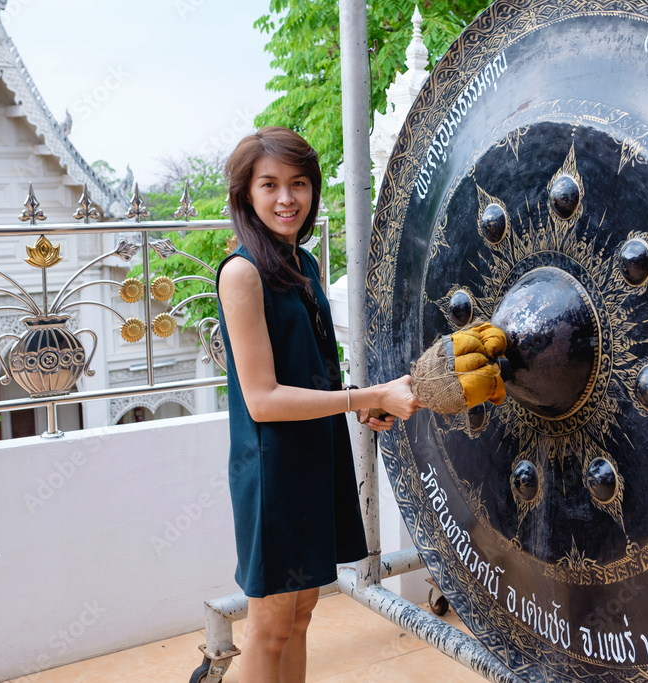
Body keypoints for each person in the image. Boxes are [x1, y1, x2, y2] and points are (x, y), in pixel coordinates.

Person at [215, 126, 420, 683]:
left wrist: (357, 406)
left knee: (302, 616)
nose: (287, 198)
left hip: (314, 457)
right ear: (246, 195)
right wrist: (366, 395)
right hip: (272, 470)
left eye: (299, 184)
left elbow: (314, 368)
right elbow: (262, 399)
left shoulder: (300, 264)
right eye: (270, 184)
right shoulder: (242, 273)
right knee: (269, 627)